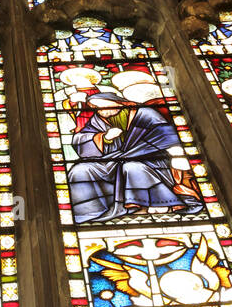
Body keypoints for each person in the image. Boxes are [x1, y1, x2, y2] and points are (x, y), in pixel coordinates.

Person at [68, 92, 201, 223]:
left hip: (152, 159)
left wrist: (175, 154)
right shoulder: (98, 120)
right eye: (97, 108)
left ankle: (157, 203)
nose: (103, 111)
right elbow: (81, 140)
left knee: (131, 167)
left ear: (118, 102)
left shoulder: (144, 113)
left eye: (105, 106)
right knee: (80, 170)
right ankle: (91, 212)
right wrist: (104, 137)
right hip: (114, 159)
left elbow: (166, 136)